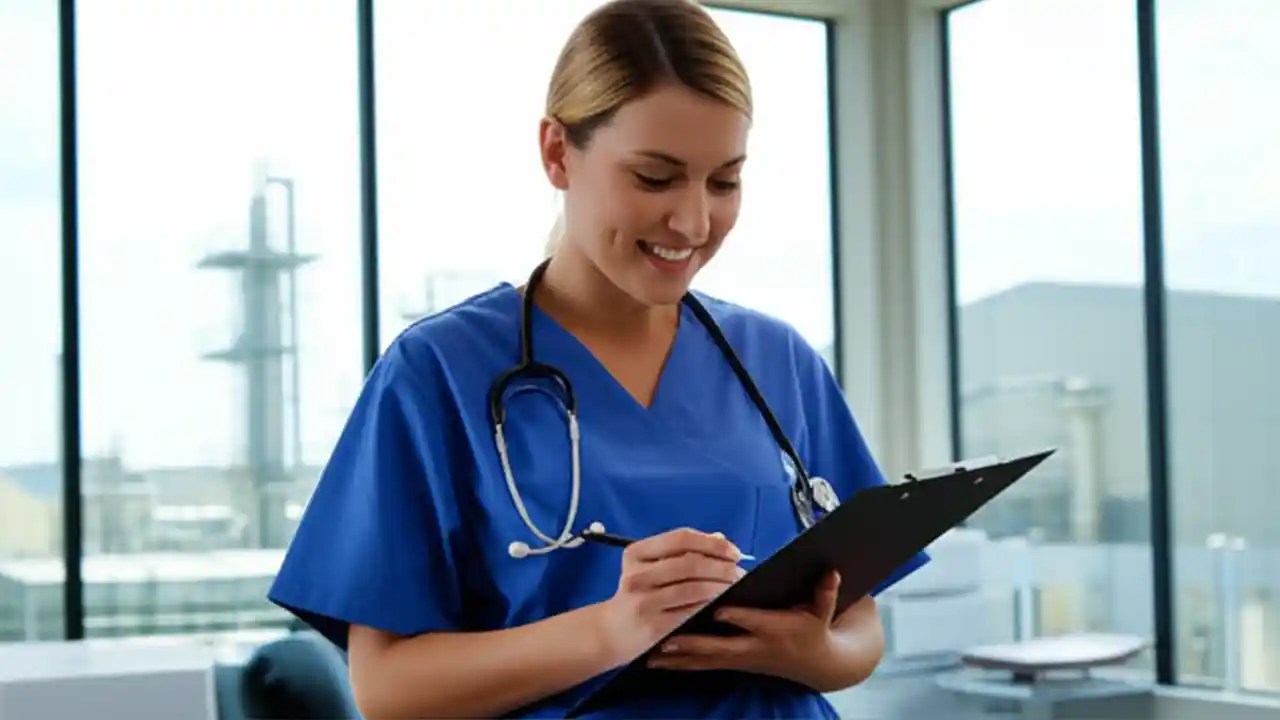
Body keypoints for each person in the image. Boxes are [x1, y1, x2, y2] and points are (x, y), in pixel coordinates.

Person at [267, 0, 929, 717]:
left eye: (724, 181)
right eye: (654, 178)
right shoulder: (438, 372)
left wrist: (815, 655)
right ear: (557, 152)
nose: (694, 222)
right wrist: (610, 630)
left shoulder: (777, 361)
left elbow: (859, 623)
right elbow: (388, 688)